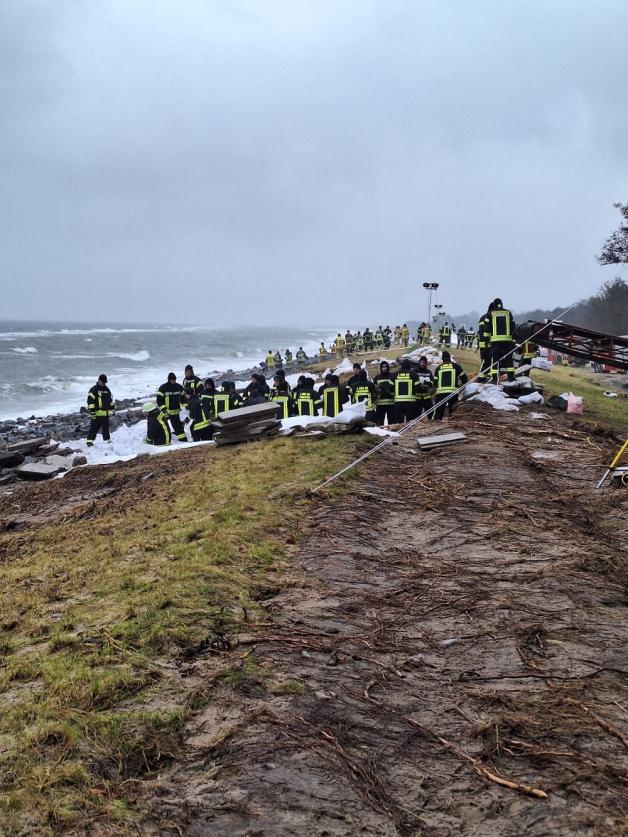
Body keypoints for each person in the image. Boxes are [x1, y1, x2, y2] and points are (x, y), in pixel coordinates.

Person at [487, 298, 516, 383]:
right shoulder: (508, 312)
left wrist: (487, 340)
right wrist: (513, 340)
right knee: (508, 359)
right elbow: (512, 326)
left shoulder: (490, 313)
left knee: (495, 360)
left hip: (495, 341)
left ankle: (494, 378)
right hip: (507, 341)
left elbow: (487, 327)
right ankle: (511, 378)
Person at [433, 351, 468, 420]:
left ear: (442, 359)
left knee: (438, 411)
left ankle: (435, 425)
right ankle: (452, 425)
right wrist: (462, 385)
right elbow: (464, 378)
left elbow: (435, 382)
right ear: (449, 358)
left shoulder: (438, 368)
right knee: (453, 410)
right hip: (453, 392)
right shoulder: (456, 366)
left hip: (441, 393)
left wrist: (439, 387)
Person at [86, 374, 115, 446]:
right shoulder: (94, 390)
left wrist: (112, 409)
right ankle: (89, 441)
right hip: (96, 413)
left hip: (105, 413)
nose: (104, 384)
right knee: (94, 428)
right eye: (103, 382)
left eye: (105, 382)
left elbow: (110, 400)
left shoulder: (107, 390)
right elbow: (90, 401)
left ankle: (107, 441)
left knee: (106, 429)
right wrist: (92, 411)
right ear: (99, 381)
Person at [156, 372, 187, 441]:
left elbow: (183, 398)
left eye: (175, 380)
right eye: (172, 380)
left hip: (177, 412)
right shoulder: (163, 388)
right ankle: (159, 438)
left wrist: (185, 408)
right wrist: (164, 410)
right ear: (169, 380)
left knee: (178, 426)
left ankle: (183, 440)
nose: (174, 381)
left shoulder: (179, 387)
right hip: (167, 412)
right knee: (161, 425)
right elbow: (159, 401)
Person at [393, 359, 417, 423]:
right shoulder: (413, 374)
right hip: (411, 402)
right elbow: (418, 387)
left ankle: (399, 433)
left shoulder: (395, 374)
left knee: (398, 423)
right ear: (409, 366)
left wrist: (394, 394)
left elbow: (390, 387)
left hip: (398, 402)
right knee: (411, 423)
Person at [373, 361, 395, 425]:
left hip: (391, 402)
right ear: (381, 368)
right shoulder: (377, 378)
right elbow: (374, 390)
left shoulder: (392, 376)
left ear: (388, 367)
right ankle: (380, 433)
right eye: (383, 367)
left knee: (391, 421)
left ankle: (391, 432)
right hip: (380, 403)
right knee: (380, 421)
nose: (384, 368)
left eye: (386, 366)